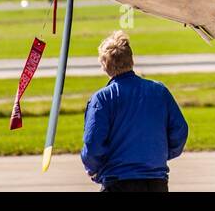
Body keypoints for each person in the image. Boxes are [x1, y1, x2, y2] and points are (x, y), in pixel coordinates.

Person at [81, 31, 188, 192]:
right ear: (131, 60)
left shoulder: (102, 99)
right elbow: (179, 130)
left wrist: (93, 168)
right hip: (156, 182)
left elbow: (93, 144)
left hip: (118, 182)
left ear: (105, 65)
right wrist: (161, 155)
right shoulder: (159, 91)